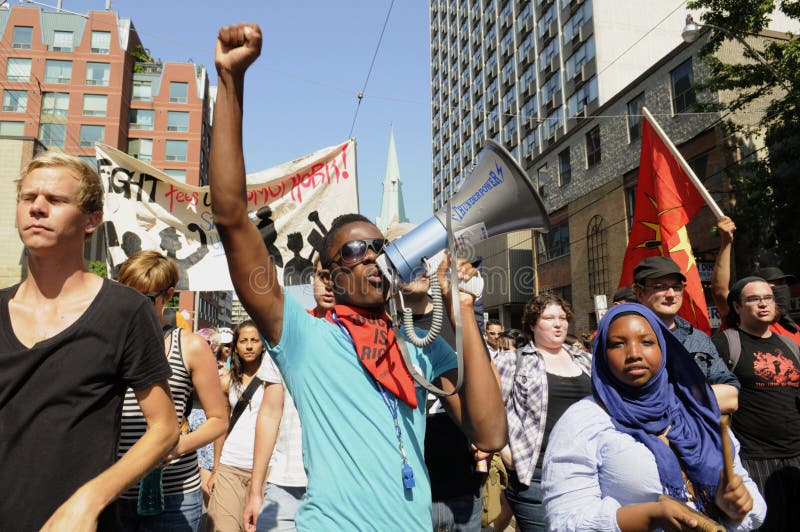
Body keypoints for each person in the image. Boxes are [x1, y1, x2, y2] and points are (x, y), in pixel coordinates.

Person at [209, 22, 506, 530]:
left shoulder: (418, 345)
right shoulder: (304, 337)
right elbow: (232, 215)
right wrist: (231, 85)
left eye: (381, 247)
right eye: (355, 250)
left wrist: (458, 309)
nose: (374, 256)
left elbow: (490, 432)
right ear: (328, 272)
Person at [0, 152, 178, 530]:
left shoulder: (125, 310)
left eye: (56, 200)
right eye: (28, 198)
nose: (38, 208)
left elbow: (164, 428)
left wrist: (88, 501)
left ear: (91, 220)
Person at [543, 303, 766, 531]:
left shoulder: (698, 410)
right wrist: (647, 517)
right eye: (617, 344)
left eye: (647, 342)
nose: (634, 354)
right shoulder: (582, 422)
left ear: (664, 348)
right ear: (602, 355)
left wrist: (734, 508)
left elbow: (749, 498)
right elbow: (565, 522)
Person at [114, 251, 229, 531]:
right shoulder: (107, 342)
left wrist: (175, 447)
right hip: (112, 489)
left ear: (168, 295)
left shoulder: (190, 346)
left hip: (172, 493)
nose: (132, 306)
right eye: (124, 295)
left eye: (144, 299)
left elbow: (218, 419)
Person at [243, 258, 333, 532]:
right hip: (285, 484)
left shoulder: (363, 338)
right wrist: (256, 491)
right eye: (322, 275)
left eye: (338, 276)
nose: (328, 283)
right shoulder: (288, 333)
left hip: (341, 488)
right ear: (312, 280)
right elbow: (270, 413)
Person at [493, 294, 592, 531]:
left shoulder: (586, 360)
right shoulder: (511, 361)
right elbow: (491, 410)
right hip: (536, 474)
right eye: (548, 318)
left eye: (562, 318)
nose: (558, 323)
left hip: (586, 470)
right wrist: (505, 451)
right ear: (532, 325)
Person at [711, 277, 800, 531]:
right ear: (737, 307)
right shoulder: (726, 344)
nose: (763, 304)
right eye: (753, 299)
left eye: (767, 298)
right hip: (754, 460)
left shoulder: (790, 345)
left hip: (795, 458)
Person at [633, 256, 740, 413]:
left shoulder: (698, 339)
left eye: (677, 287)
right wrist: (700, 397)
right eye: (659, 286)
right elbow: (622, 400)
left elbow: (730, 396)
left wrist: (664, 401)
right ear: (640, 292)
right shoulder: (624, 339)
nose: (671, 294)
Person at [206, 320, 274, 531]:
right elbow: (221, 426)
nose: (249, 346)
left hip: (267, 470)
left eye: (255, 340)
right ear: (236, 346)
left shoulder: (275, 379)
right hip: (230, 467)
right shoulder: (226, 380)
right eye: (243, 341)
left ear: (263, 344)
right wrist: (216, 469)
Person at [711, 215, 800, 345]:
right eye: (774, 284)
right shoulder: (742, 321)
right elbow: (720, 291)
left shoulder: (794, 330)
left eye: (784, 284)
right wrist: (726, 242)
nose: (782, 289)